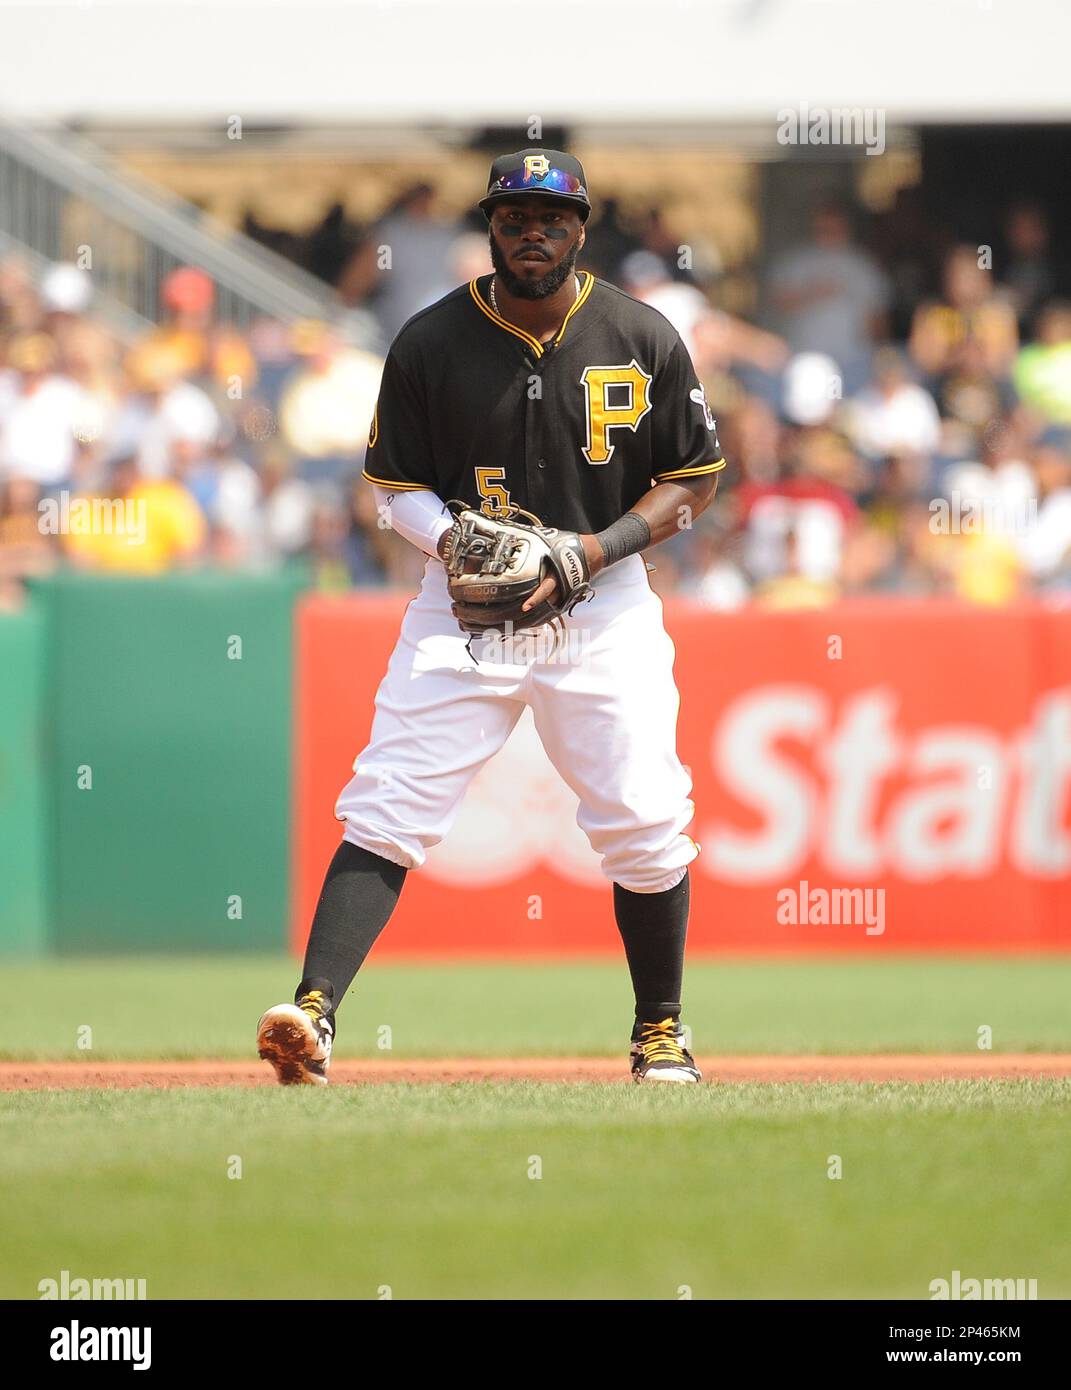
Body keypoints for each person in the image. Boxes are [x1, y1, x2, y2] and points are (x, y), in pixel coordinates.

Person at [257, 148, 726, 1086]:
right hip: (463, 608)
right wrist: (466, 547)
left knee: (643, 819)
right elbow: (394, 487)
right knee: (389, 802)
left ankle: (660, 1032)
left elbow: (695, 480)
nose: (532, 233)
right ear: (490, 228)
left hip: (604, 604)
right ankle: (313, 1014)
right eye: (513, 217)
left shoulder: (641, 332)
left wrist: (589, 550)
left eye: (550, 218)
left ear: (581, 228)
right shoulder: (431, 339)